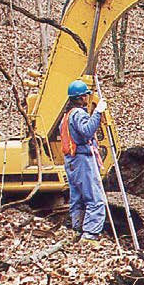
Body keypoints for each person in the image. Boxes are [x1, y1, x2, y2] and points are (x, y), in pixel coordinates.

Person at [60, 79, 108, 243]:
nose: (88, 98)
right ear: (80, 97)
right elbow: (87, 131)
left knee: (78, 197)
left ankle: (78, 228)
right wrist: (98, 112)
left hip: (71, 161)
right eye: (86, 95)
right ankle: (90, 234)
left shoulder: (66, 116)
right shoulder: (79, 114)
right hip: (82, 160)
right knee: (95, 198)